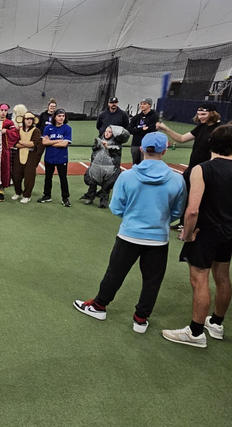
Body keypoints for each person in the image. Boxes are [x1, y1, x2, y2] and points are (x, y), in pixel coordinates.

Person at [74, 133, 186, 333]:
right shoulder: (177, 180)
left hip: (129, 235)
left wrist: (133, 217)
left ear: (142, 149)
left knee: (115, 273)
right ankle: (140, 320)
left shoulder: (127, 176)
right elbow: (178, 211)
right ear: (165, 150)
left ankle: (99, 306)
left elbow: (116, 207)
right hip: (158, 239)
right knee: (152, 281)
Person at [162, 123, 232, 348]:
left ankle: (195, 332)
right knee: (222, 275)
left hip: (205, 232)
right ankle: (216, 323)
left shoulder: (202, 169)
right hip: (230, 231)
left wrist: (187, 233)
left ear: (211, 142)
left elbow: (193, 209)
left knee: (199, 278)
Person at [156, 103, 221, 179]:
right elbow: (182, 138)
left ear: (212, 114)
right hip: (193, 168)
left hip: (206, 171)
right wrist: (166, 129)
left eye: (203, 114)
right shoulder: (202, 126)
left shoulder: (220, 129)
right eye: (199, 114)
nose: (200, 117)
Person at [80, 125, 130, 209]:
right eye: (106, 131)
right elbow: (94, 150)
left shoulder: (117, 145)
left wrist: (108, 147)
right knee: (92, 182)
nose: (107, 133)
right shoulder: (99, 141)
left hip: (110, 170)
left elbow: (116, 152)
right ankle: (90, 197)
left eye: (110, 132)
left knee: (106, 186)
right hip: (96, 167)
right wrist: (96, 146)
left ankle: (103, 201)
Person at [38, 110, 72, 206]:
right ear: (55, 117)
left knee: (63, 178)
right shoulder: (48, 128)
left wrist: (51, 142)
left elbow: (64, 144)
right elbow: (44, 142)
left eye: (63, 116)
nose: (61, 118)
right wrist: (58, 141)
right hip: (49, 157)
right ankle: (47, 195)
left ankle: (65, 198)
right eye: (59, 116)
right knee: (48, 177)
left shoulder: (67, 128)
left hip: (62, 158)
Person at [0, 105, 20, 202]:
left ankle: (2, 191)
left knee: (3, 169)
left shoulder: (9, 123)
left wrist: (7, 131)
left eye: (5, 111)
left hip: (3, 150)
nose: (3, 112)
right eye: (2, 110)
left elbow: (15, 134)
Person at [11, 112, 43, 203]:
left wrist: (21, 142)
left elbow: (34, 143)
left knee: (29, 177)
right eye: (27, 119)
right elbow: (14, 144)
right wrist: (25, 144)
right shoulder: (19, 130)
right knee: (16, 176)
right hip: (19, 155)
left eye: (31, 119)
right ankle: (18, 192)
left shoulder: (36, 131)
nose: (29, 121)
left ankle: (27, 195)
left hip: (31, 156)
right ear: (24, 120)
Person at [129, 98, 158, 165]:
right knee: (135, 163)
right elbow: (129, 129)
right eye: (141, 104)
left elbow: (152, 129)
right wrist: (141, 129)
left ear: (149, 105)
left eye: (144, 104)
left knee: (145, 163)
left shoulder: (154, 116)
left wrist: (137, 130)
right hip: (136, 143)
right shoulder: (137, 117)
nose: (142, 105)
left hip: (147, 144)